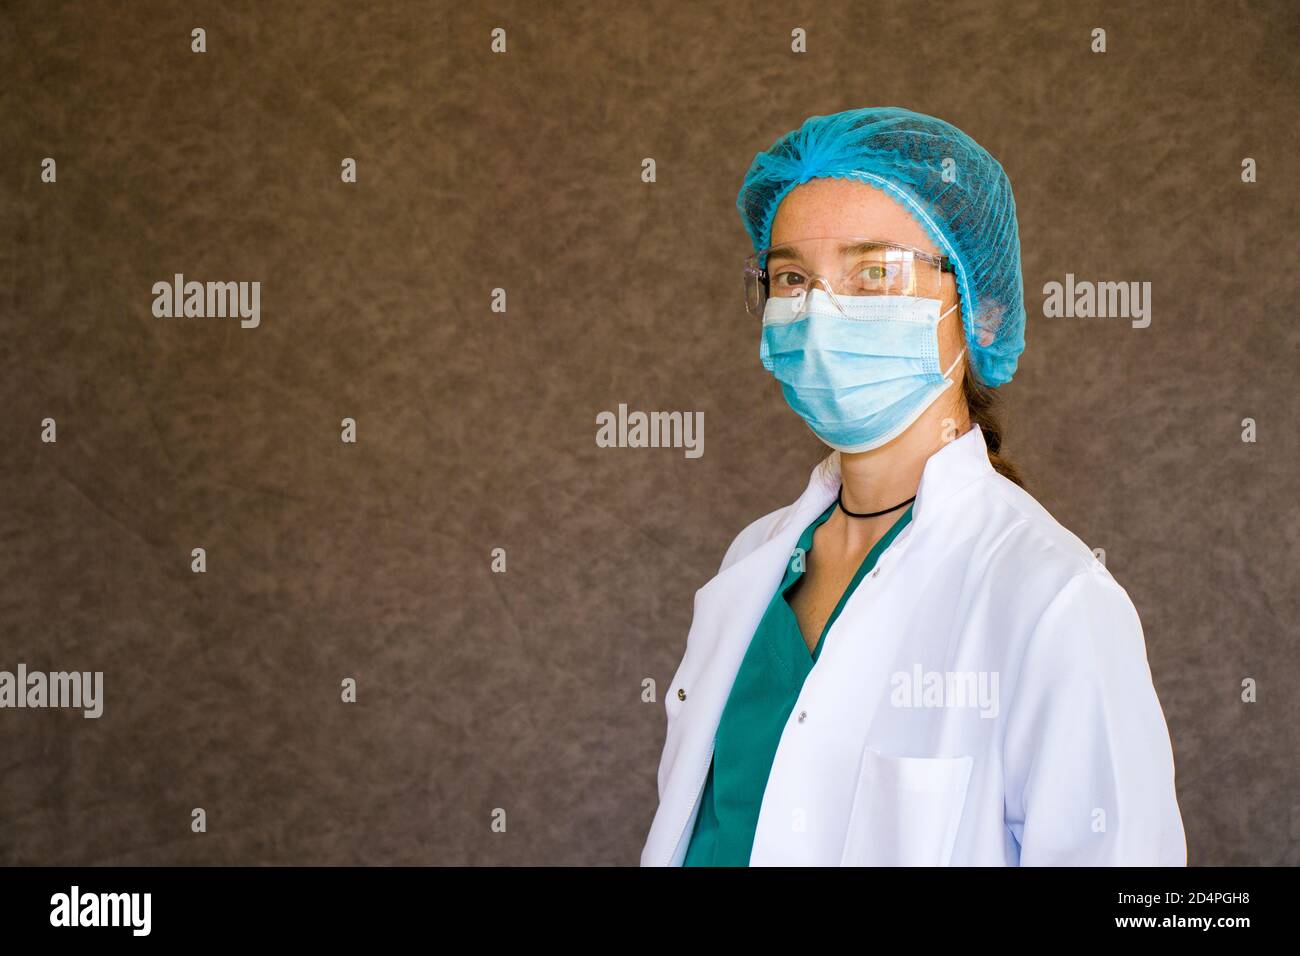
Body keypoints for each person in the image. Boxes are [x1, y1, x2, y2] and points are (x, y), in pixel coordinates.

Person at [640, 107, 1186, 866]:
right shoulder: (755, 559)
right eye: (793, 278)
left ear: (981, 313)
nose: (821, 314)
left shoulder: (1051, 598)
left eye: (874, 273)